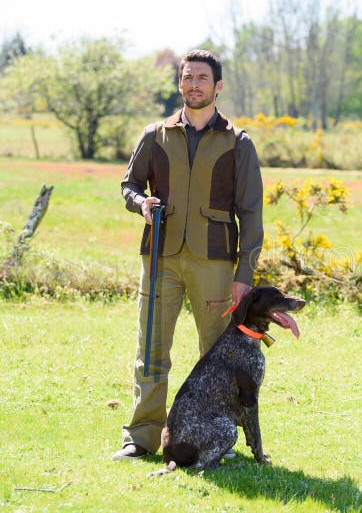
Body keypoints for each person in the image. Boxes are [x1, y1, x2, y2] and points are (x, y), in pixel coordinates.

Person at [112, 50, 264, 460]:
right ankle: (141, 436)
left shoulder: (238, 143)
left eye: (202, 78)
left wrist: (243, 274)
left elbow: (251, 213)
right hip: (160, 257)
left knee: (217, 357)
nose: (193, 83)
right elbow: (129, 185)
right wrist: (140, 203)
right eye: (187, 77)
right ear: (179, 83)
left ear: (218, 86)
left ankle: (215, 439)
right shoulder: (154, 135)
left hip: (215, 263)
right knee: (151, 348)